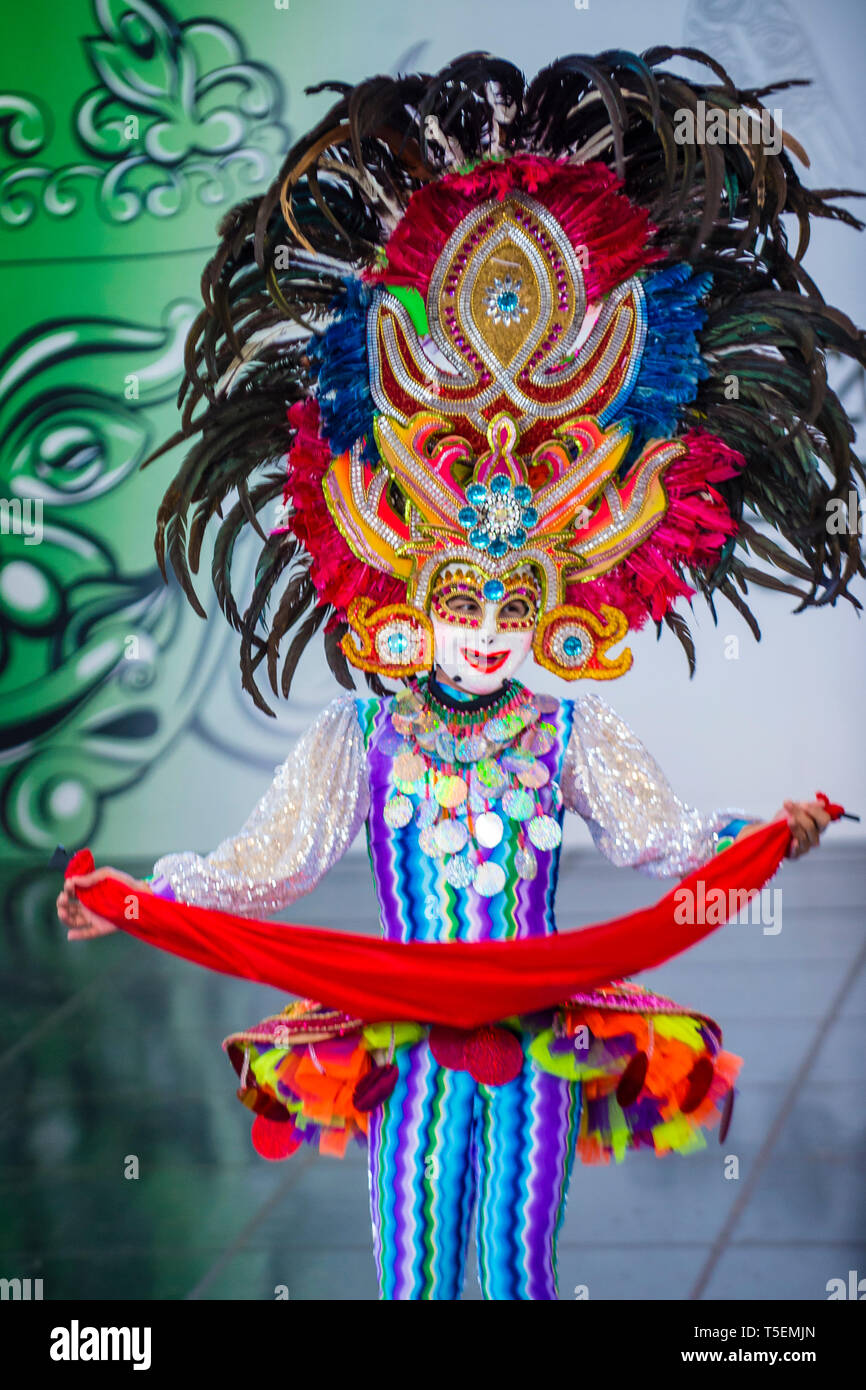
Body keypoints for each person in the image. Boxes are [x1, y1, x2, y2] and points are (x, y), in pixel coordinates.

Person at [57, 48, 859, 1299]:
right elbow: (266, 865)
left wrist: (771, 838)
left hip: (538, 1044)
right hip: (407, 1043)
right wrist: (139, 900)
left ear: (554, 606)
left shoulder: (567, 730)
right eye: (458, 599)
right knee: (421, 1265)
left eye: (512, 602)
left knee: (519, 1265)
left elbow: (660, 843)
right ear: (404, 601)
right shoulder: (359, 739)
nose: (486, 629)